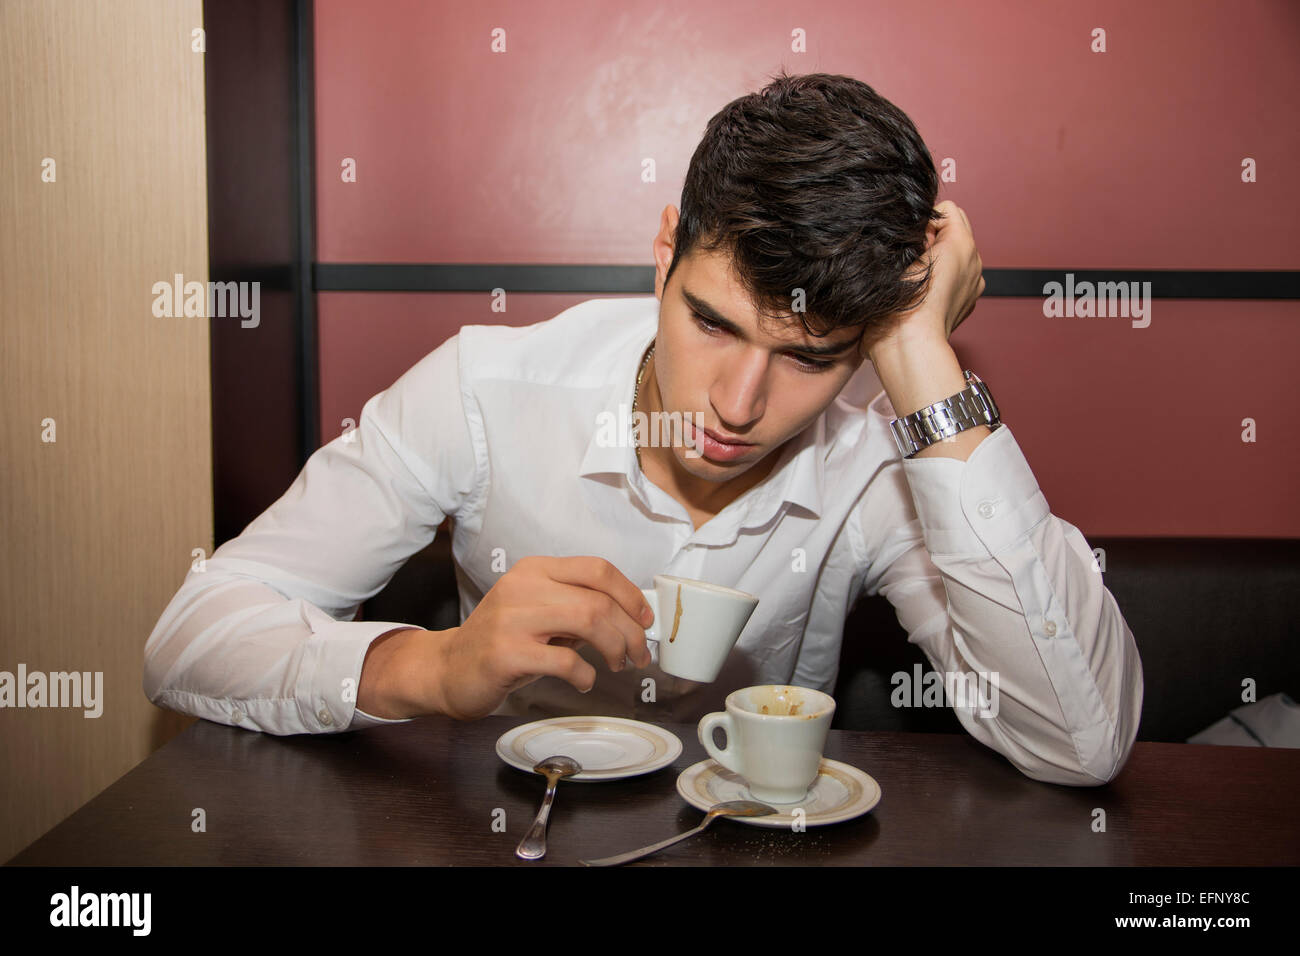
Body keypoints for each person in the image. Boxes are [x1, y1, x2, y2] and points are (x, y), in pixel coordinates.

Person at [143, 70, 1142, 786]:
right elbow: (190, 634)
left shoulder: (879, 449)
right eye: (711, 321)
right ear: (664, 247)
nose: (737, 404)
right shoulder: (485, 388)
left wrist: (925, 363)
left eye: (809, 354)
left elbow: (1080, 741)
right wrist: (431, 667)